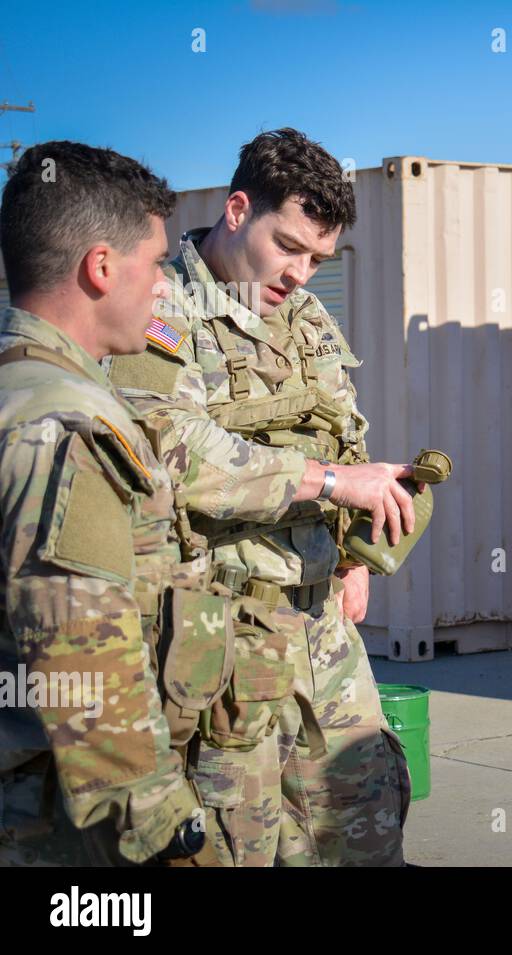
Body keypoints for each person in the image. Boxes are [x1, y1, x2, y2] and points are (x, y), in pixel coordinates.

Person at [106, 128, 416, 866]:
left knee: (363, 826)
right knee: (232, 843)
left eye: (317, 258)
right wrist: (335, 483)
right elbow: (174, 453)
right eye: (289, 247)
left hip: (323, 630)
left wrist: (353, 556)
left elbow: (344, 430)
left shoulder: (304, 317)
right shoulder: (157, 310)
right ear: (239, 209)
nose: (301, 273)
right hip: (220, 640)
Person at [0, 141, 219, 866]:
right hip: (54, 833)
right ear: (100, 267)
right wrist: (169, 837)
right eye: (156, 264)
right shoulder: (67, 427)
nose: (165, 288)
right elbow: (85, 668)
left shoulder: (21, 389)